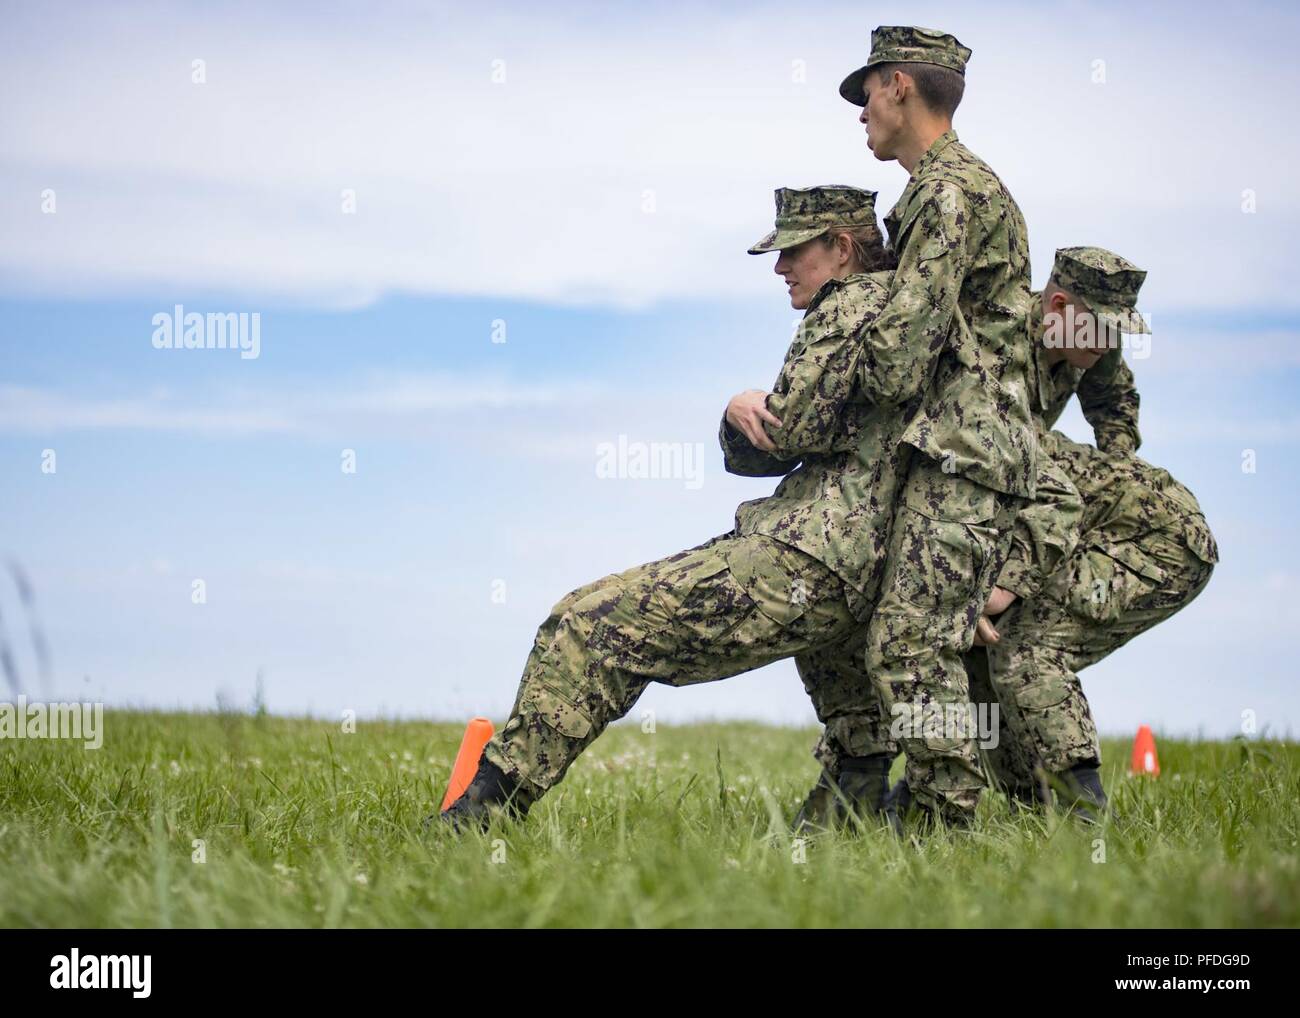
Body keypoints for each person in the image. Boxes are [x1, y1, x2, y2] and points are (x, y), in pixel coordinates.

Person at [433, 186, 920, 830]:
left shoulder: (847, 306)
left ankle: (483, 812)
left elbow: (788, 434)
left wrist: (737, 407)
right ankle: (850, 823)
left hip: (812, 554)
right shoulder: (905, 315)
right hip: (866, 565)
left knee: (591, 622)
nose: (779, 268)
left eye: (793, 252)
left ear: (840, 248)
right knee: (855, 711)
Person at [833, 26, 1039, 828]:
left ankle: (946, 827)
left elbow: (902, 346)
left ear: (899, 87)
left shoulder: (946, 192)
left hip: (964, 450)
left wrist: (828, 384)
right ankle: (934, 814)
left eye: (867, 96)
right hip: (968, 445)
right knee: (919, 640)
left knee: (911, 646)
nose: (861, 116)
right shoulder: (956, 186)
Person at [965, 249, 1218, 816]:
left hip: (1124, 528)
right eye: (1103, 329)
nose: (1107, 345)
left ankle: (1083, 820)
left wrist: (1115, 477)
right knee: (984, 656)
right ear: (1057, 307)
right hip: (1027, 496)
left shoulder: (1086, 338)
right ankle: (1028, 807)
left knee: (1023, 648)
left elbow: (1113, 406)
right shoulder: (993, 356)